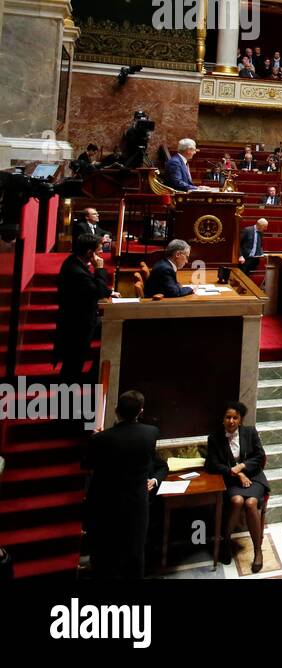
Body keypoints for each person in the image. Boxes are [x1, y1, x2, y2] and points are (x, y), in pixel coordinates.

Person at [83, 390, 164, 579]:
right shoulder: (151, 433)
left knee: (105, 553)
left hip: (106, 503)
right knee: (135, 551)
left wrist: (94, 440)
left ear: (116, 410)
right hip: (136, 504)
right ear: (141, 411)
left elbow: (87, 464)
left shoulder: (101, 439)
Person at [205, 400, 270, 571]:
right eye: (228, 417)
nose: (231, 421)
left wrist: (242, 467)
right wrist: (236, 473)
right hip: (232, 480)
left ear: (240, 419)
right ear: (223, 419)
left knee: (250, 503)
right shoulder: (214, 437)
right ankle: (225, 542)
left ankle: (258, 551)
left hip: (254, 477)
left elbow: (259, 456)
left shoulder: (250, 432)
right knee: (237, 501)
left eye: (235, 418)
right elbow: (212, 464)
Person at [54, 235, 114, 379]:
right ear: (89, 253)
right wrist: (100, 268)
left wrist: (110, 291)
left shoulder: (75, 262)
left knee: (111, 330)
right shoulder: (76, 271)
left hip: (82, 319)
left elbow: (98, 288)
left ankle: (93, 375)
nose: (100, 254)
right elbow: (99, 292)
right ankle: (66, 396)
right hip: (77, 324)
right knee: (73, 364)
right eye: (99, 250)